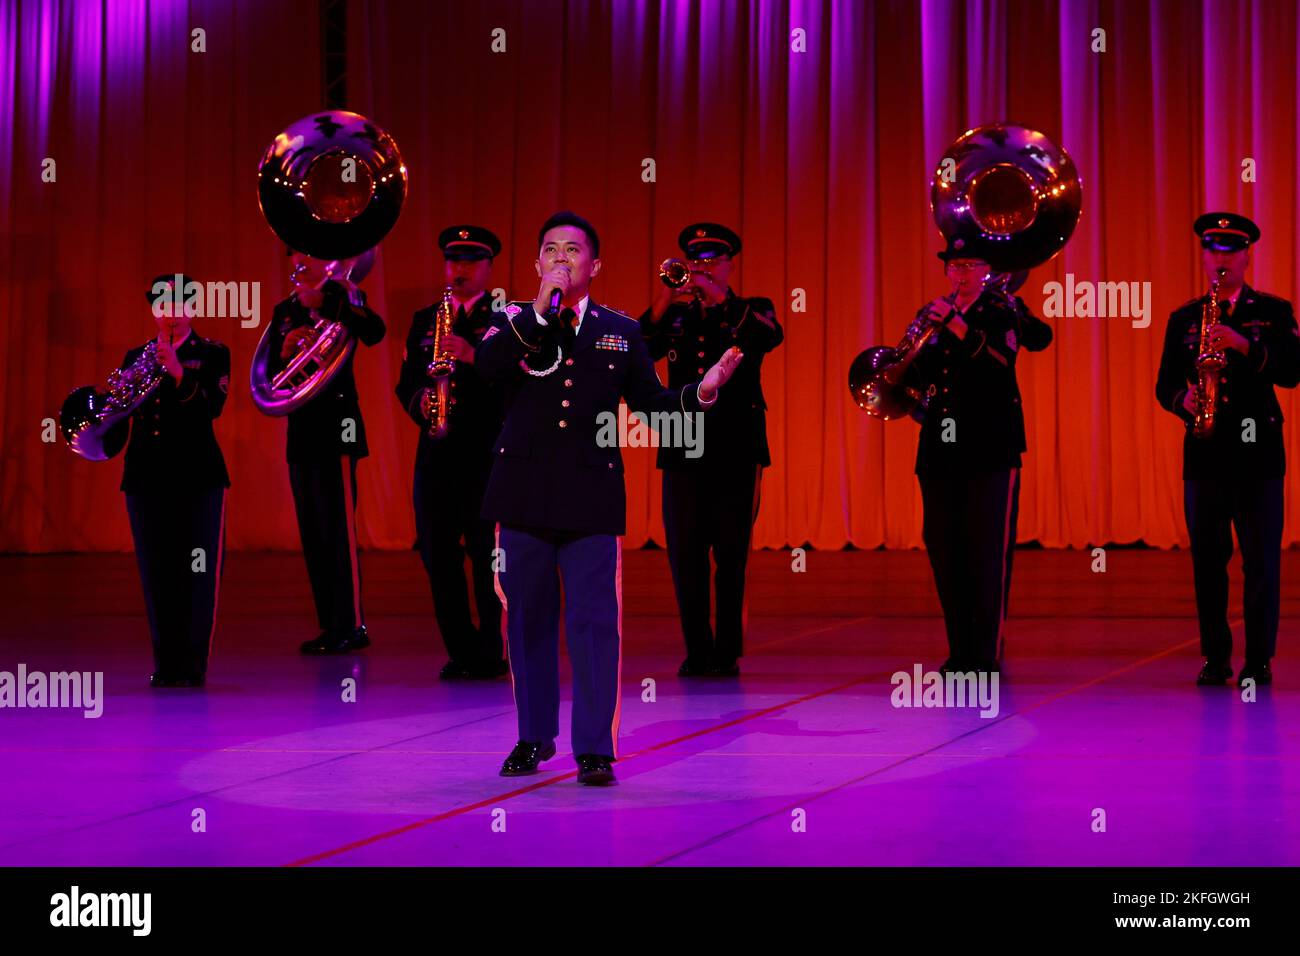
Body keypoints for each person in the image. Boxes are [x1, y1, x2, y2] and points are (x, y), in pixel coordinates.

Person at [476, 211, 743, 785]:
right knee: (527, 621)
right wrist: (539, 314)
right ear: (537, 264)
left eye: (573, 250)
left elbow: (651, 406)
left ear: (594, 266)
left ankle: (595, 747)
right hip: (521, 495)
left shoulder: (619, 331)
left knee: (596, 623)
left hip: (591, 497)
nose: (561, 259)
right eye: (551, 250)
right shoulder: (511, 320)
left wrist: (701, 392)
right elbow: (487, 368)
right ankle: (533, 737)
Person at [1155, 212, 1300, 687]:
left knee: (1261, 560)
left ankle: (1258, 662)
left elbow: (1292, 371)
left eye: (1231, 251)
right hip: (1206, 454)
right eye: (1213, 250)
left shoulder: (1274, 312)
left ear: (1246, 256)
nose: (1221, 259)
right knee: (1207, 562)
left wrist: (1243, 344)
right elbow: (1163, 386)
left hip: (1258, 456)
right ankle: (1214, 658)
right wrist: (1185, 400)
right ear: (1204, 256)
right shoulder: (1183, 319)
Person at [640, 223, 783, 677]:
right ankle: (697, 649)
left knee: (730, 552)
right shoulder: (678, 316)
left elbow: (769, 337)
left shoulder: (750, 309)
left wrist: (720, 297)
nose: (702, 268)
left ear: (728, 264)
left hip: (736, 447)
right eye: (695, 261)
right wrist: (665, 296)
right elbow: (640, 349)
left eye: (711, 260)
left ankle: (726, 650)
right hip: (683, 442)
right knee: (684, 552)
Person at [909, 239, 1053, 674]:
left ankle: (985, 655)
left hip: (991, 445)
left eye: (971, 265)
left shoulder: (1001, 311)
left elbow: (999, 362)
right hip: (939, 447)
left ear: (987, 269)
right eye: (956, 265)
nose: (962, 273)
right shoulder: (928, 313)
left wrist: (957, 326)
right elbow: (916, 374)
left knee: (987, 549)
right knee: (944, 546)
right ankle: (960, 651)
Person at [396, 225, 508, 679]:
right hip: (436, 455)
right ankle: (460, 650)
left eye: (470, 261)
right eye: (453, 261)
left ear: (487, 267)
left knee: (487, 556)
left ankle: (492, 650)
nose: (459, 269)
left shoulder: (507, 317)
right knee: (438, 555)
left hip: (484, 455)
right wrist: (419, 401)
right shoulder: (426, 319)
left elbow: (517, 379)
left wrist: (472, 353)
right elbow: (405, 380)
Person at [266, 250, 385, 654]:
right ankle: (330, 626)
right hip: (301, 434)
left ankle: (352, 624)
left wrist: (328, 303)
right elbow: (266, 376)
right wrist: (285, 353)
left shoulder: (345, 297)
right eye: (294, 254)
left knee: (339, 532)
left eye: (308, 253)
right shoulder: (284, 311)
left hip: (338, 431)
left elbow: (374, 331)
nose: (299, 261)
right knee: (314, 534)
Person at [123, 274, 231, 687]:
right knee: (156, 572)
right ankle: (165, 663)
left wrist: (178, 374)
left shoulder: (212, 353)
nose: (170, 311)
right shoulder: (136, 356)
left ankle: (192, 664)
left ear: (192, 309)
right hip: (145, 478)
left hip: (197, 477)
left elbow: (213, 406)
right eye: (162, 303)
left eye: (179, 303)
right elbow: (122, 416)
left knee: (197, 574)